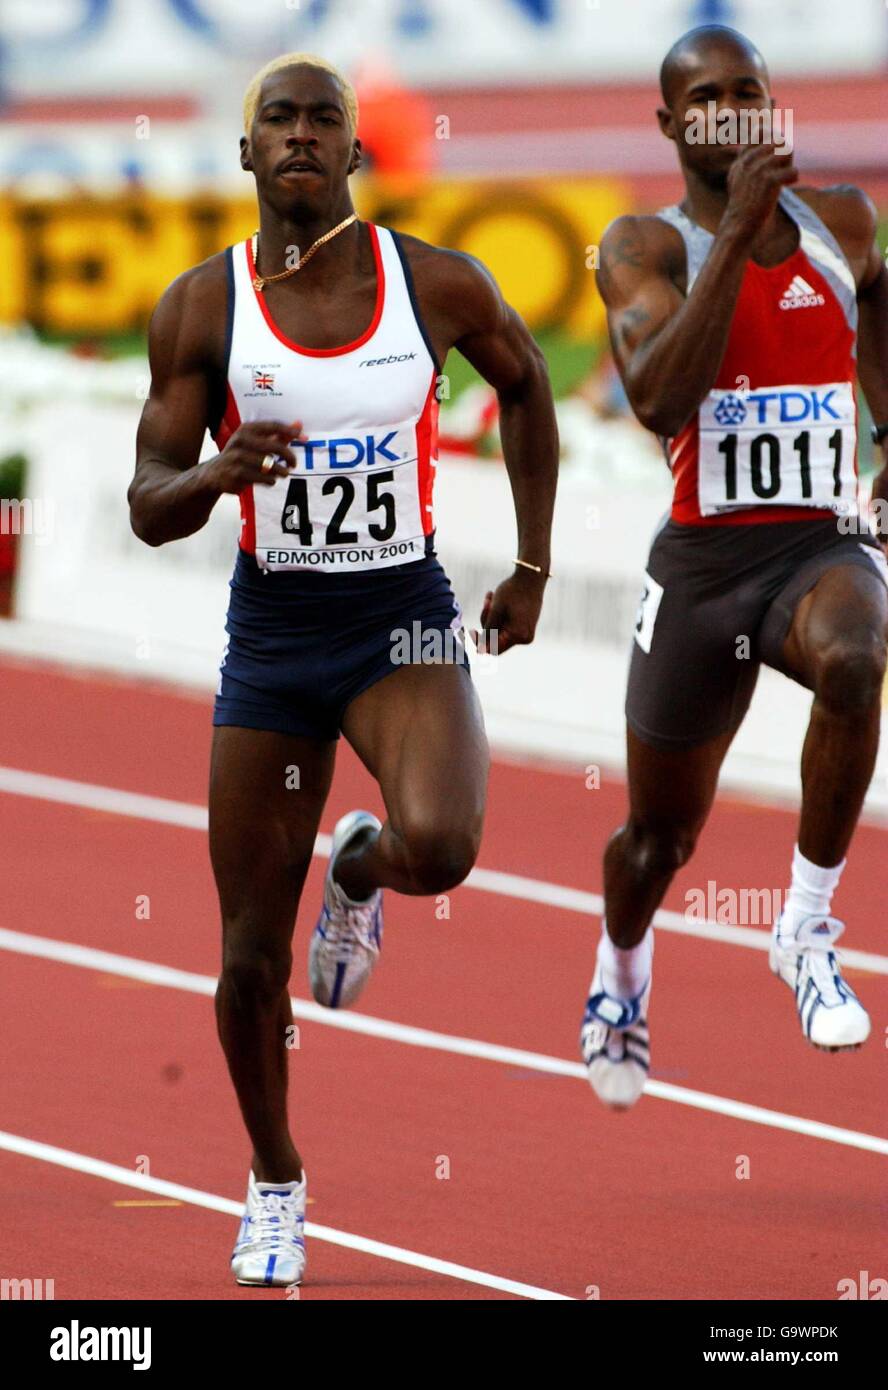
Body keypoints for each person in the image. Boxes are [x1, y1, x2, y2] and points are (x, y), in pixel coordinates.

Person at [128, 52, 558, 1284]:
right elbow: (147, 503)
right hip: (274, 635)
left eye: (327, 119)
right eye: (281, 119)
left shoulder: (433, 283)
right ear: (249, 154)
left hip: (400, 618)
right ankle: (273, 1179)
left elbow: (528, 387)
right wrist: (213, 478)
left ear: (357, 154)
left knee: (447, 845)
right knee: (249, 958)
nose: (303, 134)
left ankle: (361, 868)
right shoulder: (202, 309)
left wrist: (529, 566)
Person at [582, 25, 888, 1109]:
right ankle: (622, 966)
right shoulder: (642, 247)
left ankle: (803, 929)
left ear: (771, 105)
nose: (727, 110)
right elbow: (662, 396)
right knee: (657, 840)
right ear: (670, 125)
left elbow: (878, 330)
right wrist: (737, 237)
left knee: (859, 652)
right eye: (703, 98)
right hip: (703, 571)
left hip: (814, 545)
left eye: (745, 92)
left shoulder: (843, 223)